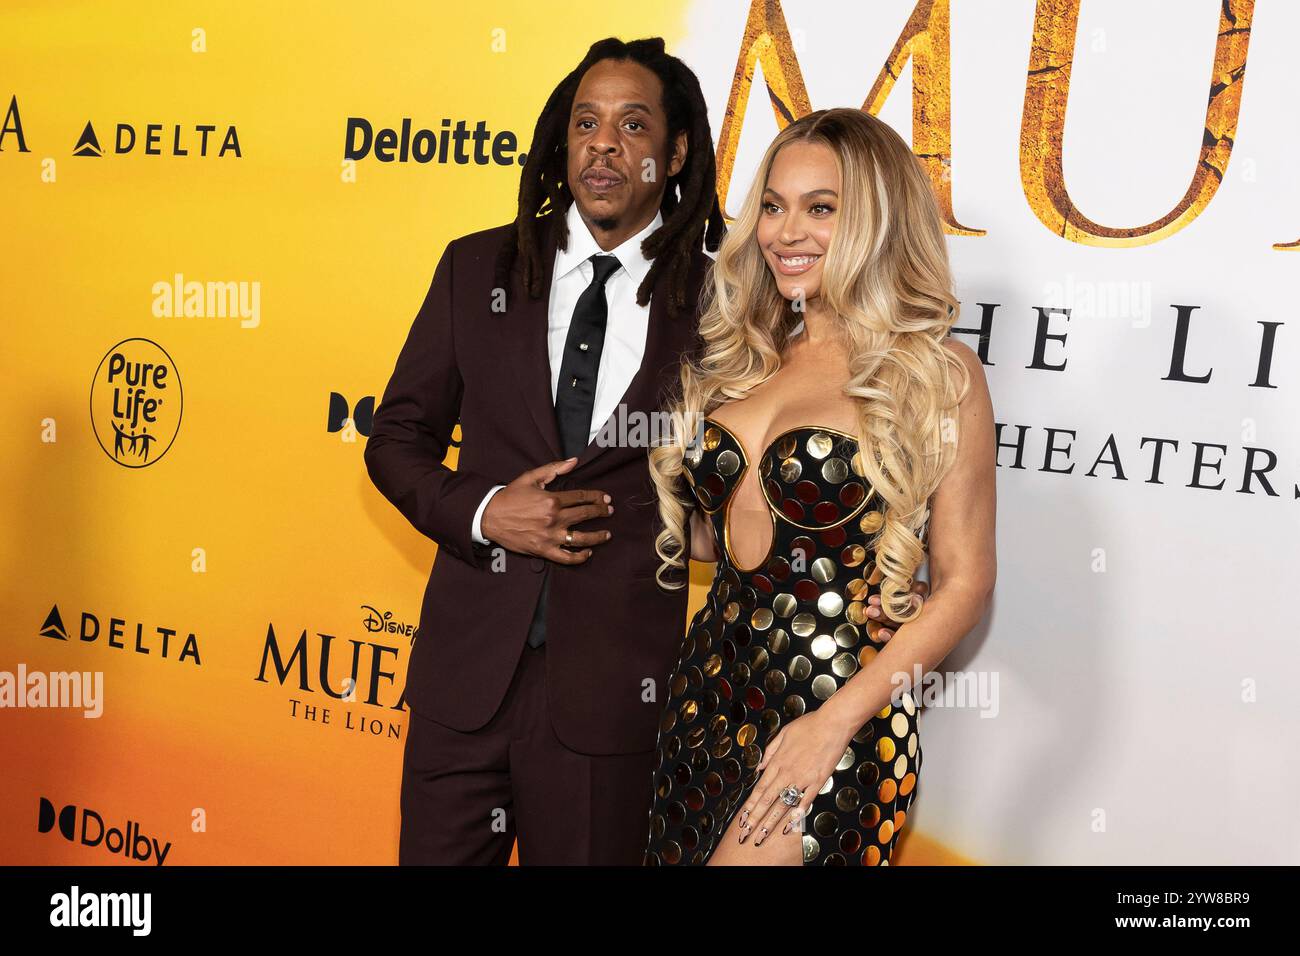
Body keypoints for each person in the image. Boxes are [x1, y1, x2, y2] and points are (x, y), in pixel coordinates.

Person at [366, 36, 925, 865]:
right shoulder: (474, 267)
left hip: (618, 696)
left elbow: (776, 468)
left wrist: (870, 567)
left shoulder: (728, 302)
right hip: (464, 684)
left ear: (676, 153)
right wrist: (485, 511)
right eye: (587, 122)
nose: (604, 144)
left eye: (633, 126)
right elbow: (396, 440)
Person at [643, 107, 996, 866]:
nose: (784, 231)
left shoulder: (937, 372)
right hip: (707, 695)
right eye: (772, 205)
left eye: (820, 208)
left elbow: (966, 585)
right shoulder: (747, 353)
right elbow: (715, 546)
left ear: (875, 219)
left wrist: (834, 724)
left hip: (840, 708)